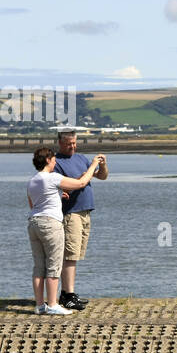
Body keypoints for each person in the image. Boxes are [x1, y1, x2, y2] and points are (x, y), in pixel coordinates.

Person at [27, 146, 102, 315]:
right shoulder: (53, 177)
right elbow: (81, 183)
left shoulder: (32, 181)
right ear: (47, 160)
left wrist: (58, 194)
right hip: (51, 224)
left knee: (39, 266)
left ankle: (40, 306)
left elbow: (34, 204)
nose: (55, 162)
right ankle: (53, 304)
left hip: (34, 223)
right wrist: (93, 165)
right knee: (54, 264)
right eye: (53, 160)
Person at [53, 127, 108, 310]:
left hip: (85, 212)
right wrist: (91, 167)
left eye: (75, 143)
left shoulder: (81, 158)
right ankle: (68, 295)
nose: (72, 147)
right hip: (70, 213)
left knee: (76, 255)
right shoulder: (56, 162)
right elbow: (74, 184)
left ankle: (68, 294)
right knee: (70, 254)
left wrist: (102, 165)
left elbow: (102, 176)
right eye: (69, 144)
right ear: (60, 143)